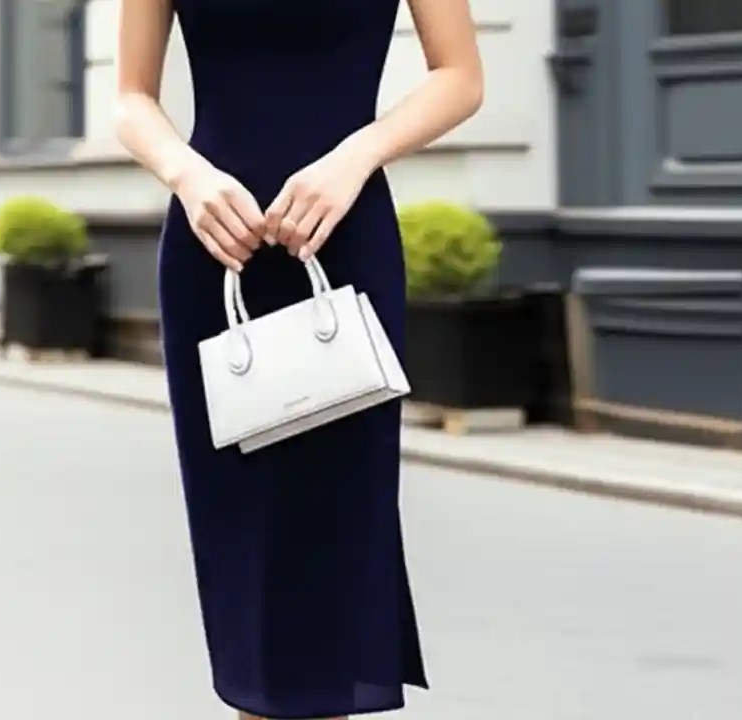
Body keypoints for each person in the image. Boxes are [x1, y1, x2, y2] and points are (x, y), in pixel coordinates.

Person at [115, 0, 483, 717]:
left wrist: (355, 157)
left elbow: (461, 77)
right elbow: (131, 97)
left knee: (332, 549)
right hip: (215, 249)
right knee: (243, 554)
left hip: (343, 242)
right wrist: (187, 176)